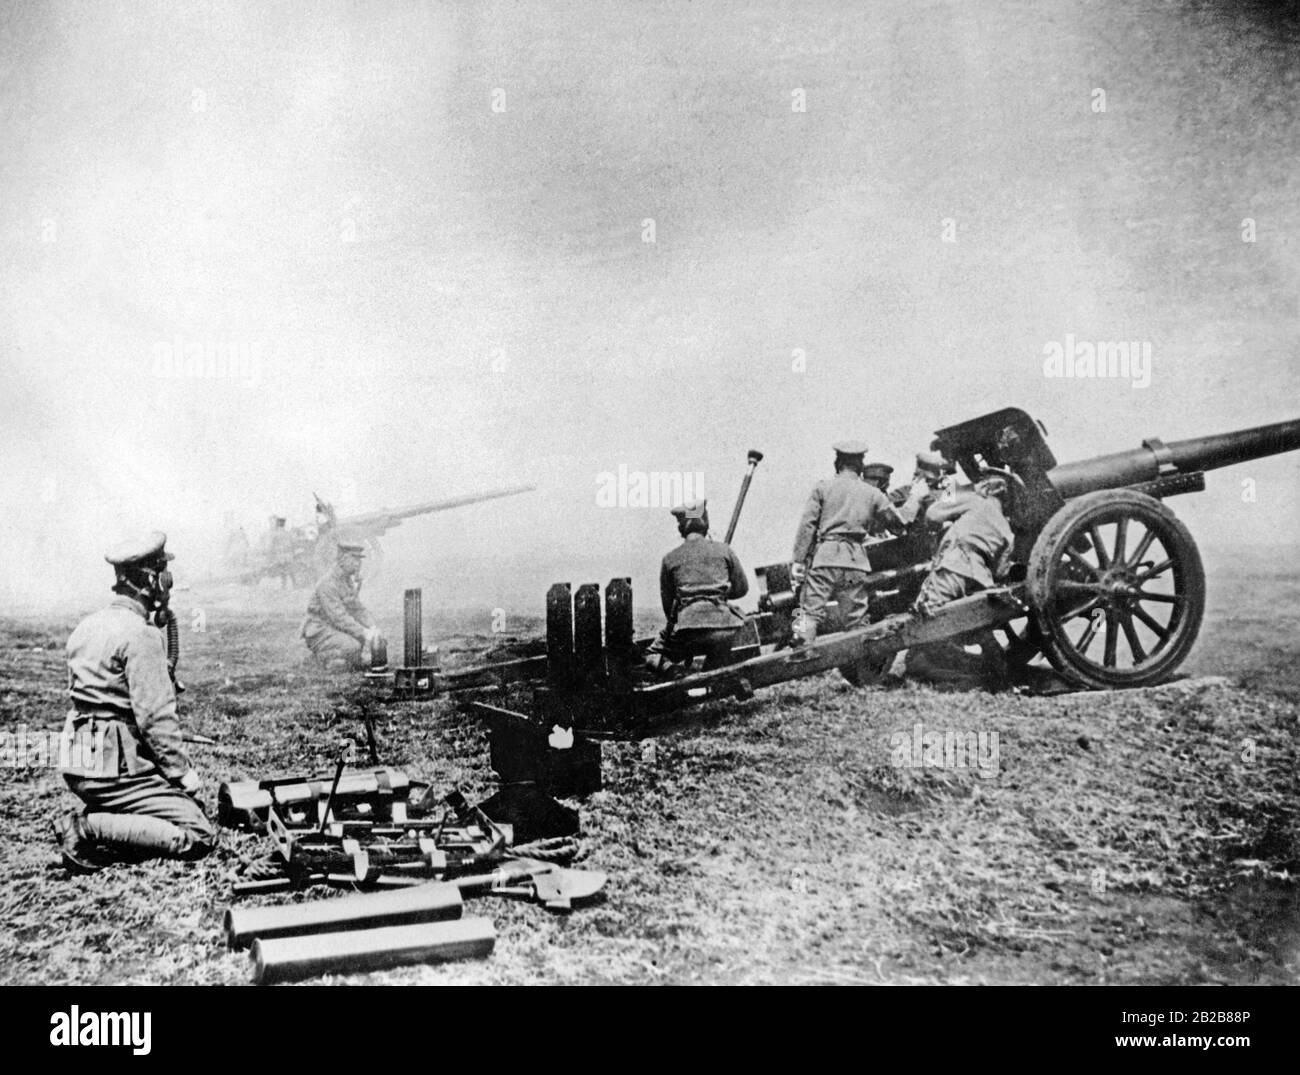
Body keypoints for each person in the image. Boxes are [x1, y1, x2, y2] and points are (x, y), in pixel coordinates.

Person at [54, 531, 215, 873]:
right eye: (163, 575)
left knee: (168, 807)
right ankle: (85, 829)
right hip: (114, 770)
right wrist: (183, 775)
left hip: (78, 762)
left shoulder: (86, 626)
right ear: (152, 579)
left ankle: (98, 819)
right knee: (198, 834)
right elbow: (155, 719)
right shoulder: (141, 635)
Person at [791, 441, 917, 646]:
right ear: (860, 465)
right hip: (855, 562)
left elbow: (807, 526)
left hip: (825, 559)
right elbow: (897, 525)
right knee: (856, 619)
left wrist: (798, 560)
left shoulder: (822, 488)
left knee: (808, 614)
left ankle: (800, 653)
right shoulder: (873, 493)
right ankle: (860, 659)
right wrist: (914, 501)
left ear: (837, 462)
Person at [910, 474, 1015, 687]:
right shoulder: (1008, 531)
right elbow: (1002, 571)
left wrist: (948, 503)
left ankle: (936, 675)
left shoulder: (976, 501)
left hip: (953, 567)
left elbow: (933, 514)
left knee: (925, 621)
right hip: (981, 578)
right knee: (979, 625)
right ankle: (1002, 681)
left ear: (985, 490)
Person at [644, 500, 749, 674]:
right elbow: (742, 589)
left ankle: (671, 670)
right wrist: (722, 591)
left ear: (681, 528)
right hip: (724, 627)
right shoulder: (725, 550)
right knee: (723, 644)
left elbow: (668, 607)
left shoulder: (670, 558)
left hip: (688, 631)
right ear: (705, 525)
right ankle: (715, 675)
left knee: (651, 654)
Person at [301, 539, 385, 670]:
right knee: (352, 646)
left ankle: (347, 659)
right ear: (343, 560)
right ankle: (319, 658)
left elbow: (358, 609)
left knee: (360, 644)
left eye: (359, 560)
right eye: (354, 560)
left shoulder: (346, 581)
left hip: (334, 628)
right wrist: (363, 632)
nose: (358, 564)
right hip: (320, 631)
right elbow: (338, 617)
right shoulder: (327, 584)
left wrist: (373, 627)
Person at [257, 515, 295, 588]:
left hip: (278, 556)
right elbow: (292, 545)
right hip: (287, 556)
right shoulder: (288, 534)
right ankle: (287, 585)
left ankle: (269, 585)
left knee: (274, 571)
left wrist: (268, 554)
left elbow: (271, 546)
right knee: (286, 572)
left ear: (278, 524)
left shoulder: (275, 534)